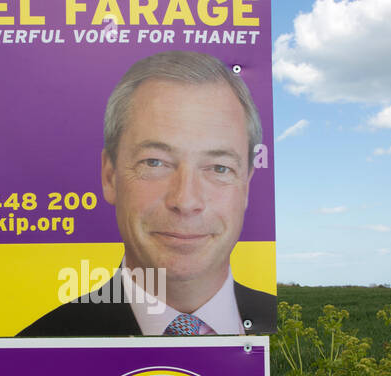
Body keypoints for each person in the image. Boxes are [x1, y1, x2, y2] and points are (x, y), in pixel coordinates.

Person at [20, 50, 275, 336]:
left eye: (218, 167)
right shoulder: (36, 348)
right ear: (110, 176)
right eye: (155, 162)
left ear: (247, 185)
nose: (186, 201)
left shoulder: (287, 338)